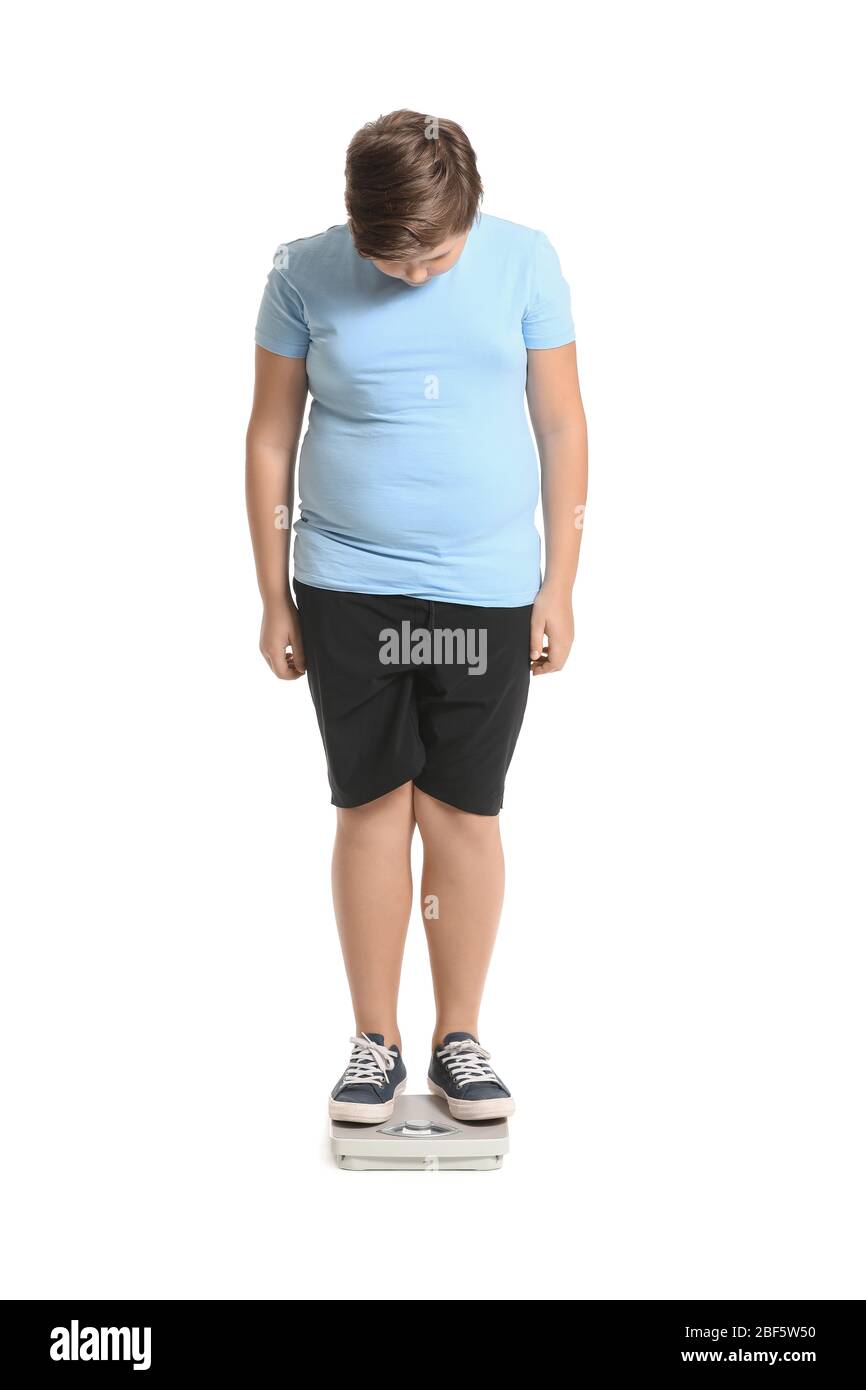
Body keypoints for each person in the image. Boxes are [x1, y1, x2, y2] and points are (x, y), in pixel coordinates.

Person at [246, 110, 588, 1124]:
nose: (412, 275)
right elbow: (269, 435)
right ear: (354, 226)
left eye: (434, 255)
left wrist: (559, 582)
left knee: (459, 808)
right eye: (389, 258)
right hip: (347, 583)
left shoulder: (525, 262)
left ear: (466, 216)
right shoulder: (300, 273)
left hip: (484, 587)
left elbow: (562, 421)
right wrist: (272, 594)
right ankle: (373, 1041)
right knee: (370, 805)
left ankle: (458, 1038)